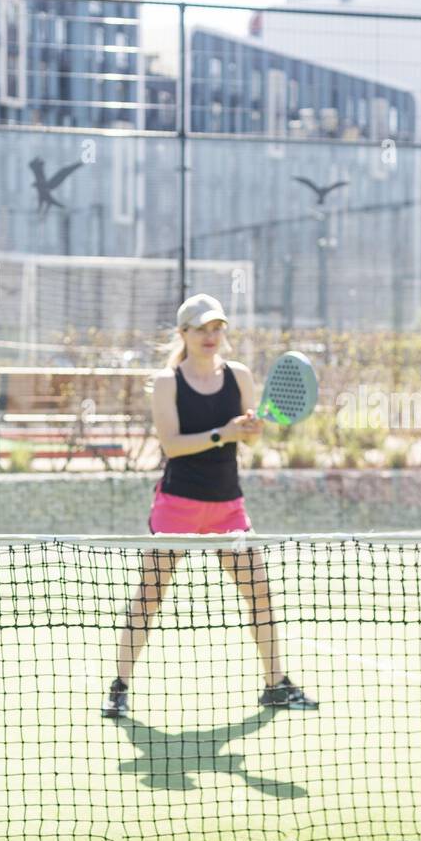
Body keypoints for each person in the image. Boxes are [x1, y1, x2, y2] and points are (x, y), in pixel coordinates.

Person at [102, 293, 318, 718]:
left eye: (217, 327)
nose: (211, 335)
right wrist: (225, 432)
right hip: (177, 506)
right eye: (201, 328)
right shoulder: (167, 382)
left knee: (259, 594)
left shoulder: (239, 376)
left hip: (227, 508)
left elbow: (249, 437)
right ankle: (119, 687)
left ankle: (275, 684)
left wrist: (250, 430)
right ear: (183, 333)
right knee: (149, 596)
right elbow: (172, 445)